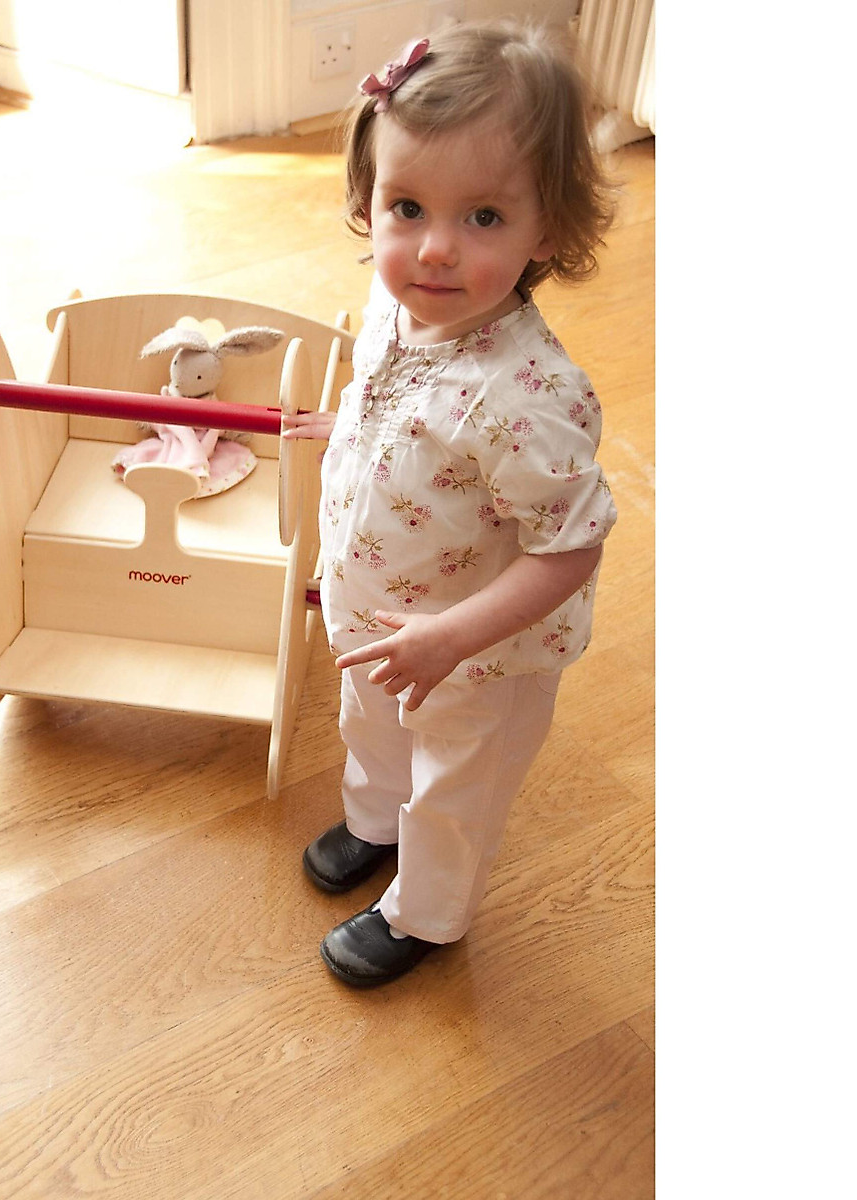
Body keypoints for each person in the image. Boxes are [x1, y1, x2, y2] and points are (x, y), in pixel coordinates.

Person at [282, 20, 618, 986]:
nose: (433, 250)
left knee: (456, 787)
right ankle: (374, 821)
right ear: (369, 198)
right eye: (408, 206)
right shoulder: (398, 308)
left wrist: (454, 638)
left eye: (483, 217)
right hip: (382, 612)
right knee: (371, 725)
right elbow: (394, 392)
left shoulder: (529, 398)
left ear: (547, 228)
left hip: (480, 653)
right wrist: (351, 424)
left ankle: (426, 913)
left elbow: (572, 547)